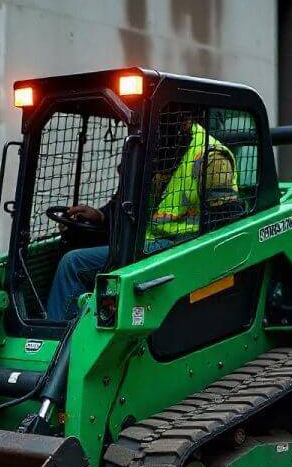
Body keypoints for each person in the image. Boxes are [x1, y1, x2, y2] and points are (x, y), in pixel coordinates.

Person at [45, 116, 236, 321]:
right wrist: (100, 216)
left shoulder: (211, 158)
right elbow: (129, 202)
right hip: (147, 244)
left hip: (182, 249)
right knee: (73, 252)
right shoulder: (155, 150)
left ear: (184, 120)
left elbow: (224, 222)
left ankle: (60, 338)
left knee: (73, 264)